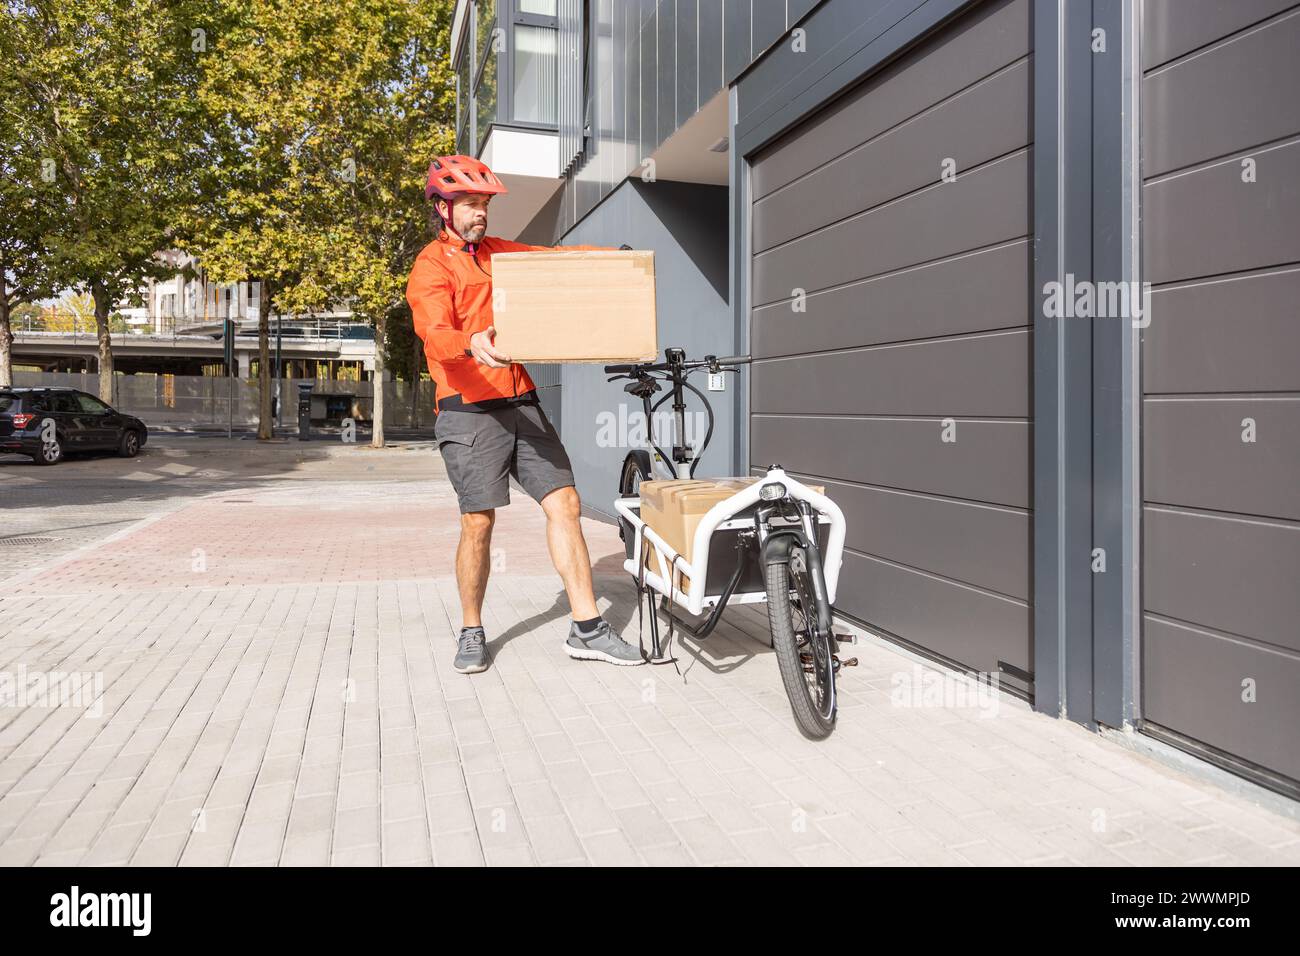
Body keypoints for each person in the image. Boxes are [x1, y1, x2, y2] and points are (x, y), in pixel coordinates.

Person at [406, 154, 644, 674]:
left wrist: (611, 259)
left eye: (484, 204)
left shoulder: (500, 254)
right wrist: (469, 341)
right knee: (478, 523)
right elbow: (433, 332)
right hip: (468, 409)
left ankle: (587, 628)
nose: (480, 214)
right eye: (470, 204)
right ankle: (472, 629)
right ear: (443, 209)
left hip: (521, 400)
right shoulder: (431, 265)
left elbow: (553, 262)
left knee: (567, 504)